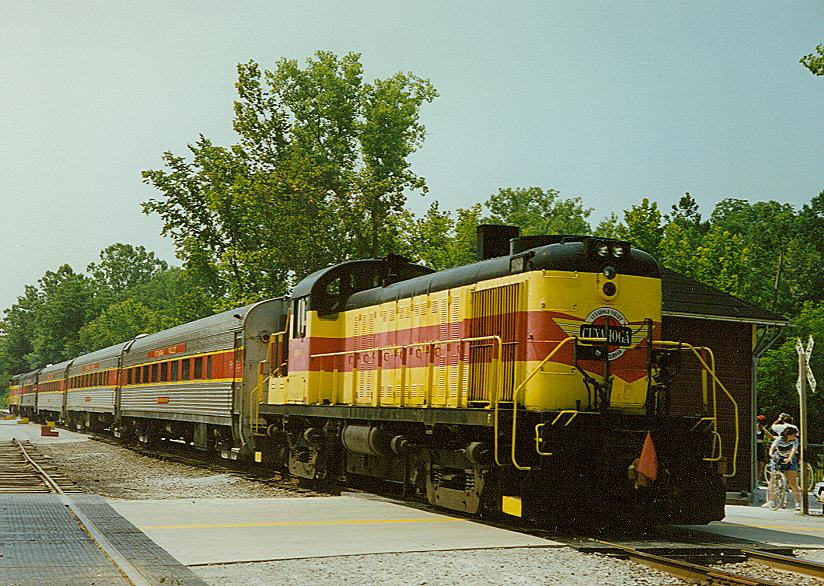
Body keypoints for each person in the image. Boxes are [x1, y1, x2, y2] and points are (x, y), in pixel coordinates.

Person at [769, 424, 802, 511]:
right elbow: (773, 447)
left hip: (789, 459)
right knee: (773, 480)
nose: (795, 436)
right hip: (778, 457)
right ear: (789, 435)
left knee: (793, 482)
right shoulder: (779, 439)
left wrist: (790, 458)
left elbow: (793, 450)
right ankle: (772, 501)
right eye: (794, 435)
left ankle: (798, 503)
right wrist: (771, 454)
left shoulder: (795, 440)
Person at [756, 415, 774, 484]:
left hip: (760, 447)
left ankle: (757, 479)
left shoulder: (763, 431)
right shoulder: (752, 430)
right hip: (755, 447)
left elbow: (771, 437)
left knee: (761, 464)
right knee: (754, 463)